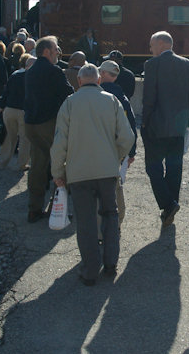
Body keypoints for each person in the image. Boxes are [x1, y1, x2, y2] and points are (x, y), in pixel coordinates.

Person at [51, 64, 134, 286]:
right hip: (107, 171)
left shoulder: (69, 103)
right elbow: (127, 137)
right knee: (110, 215)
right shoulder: (112, 101)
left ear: (79, 81)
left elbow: (59, 143)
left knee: (86, 221)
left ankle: (89, 271)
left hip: (78, 173)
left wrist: (58, 172)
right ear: (98, 81)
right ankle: (110, 264)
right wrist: (114, 157)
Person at [141, 31, 189, 227]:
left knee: (153, 168)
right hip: (178, 127)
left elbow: (149, 98)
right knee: (175, 169)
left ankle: (168, 204)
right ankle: (169, 209)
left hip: (156, 126)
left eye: (152, 44)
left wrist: (145, 122)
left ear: (162, 44)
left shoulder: (152, 65)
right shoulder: (188, 65)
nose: (150, 49)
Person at [23, 36, 73, 223]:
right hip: (48, 124)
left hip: (31, 124)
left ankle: (34, 208)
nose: (57, 54)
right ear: (46, 51)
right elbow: (69, 95)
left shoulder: (30, 71)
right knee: (60, 165)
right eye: (55, 50)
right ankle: (58, 208)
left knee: (37, 165)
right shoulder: (54, 71)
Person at [99, 59, 137, 224]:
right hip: (116, 149)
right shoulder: (123, 98)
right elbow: (131, 126)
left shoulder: (95, 95)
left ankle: (101, 221)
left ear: (103, 74)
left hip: (97, 146)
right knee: (115, 184)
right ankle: (118, 218)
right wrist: (131, 152)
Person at [0, 54, 33, 170]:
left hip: (9, 109)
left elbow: (6, 91)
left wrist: (1, 106)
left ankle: (2, 161)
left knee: (9, 137)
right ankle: (21, 164)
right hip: (24, 111)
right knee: (24, 139)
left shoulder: (15, 75)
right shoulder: (33, 78)